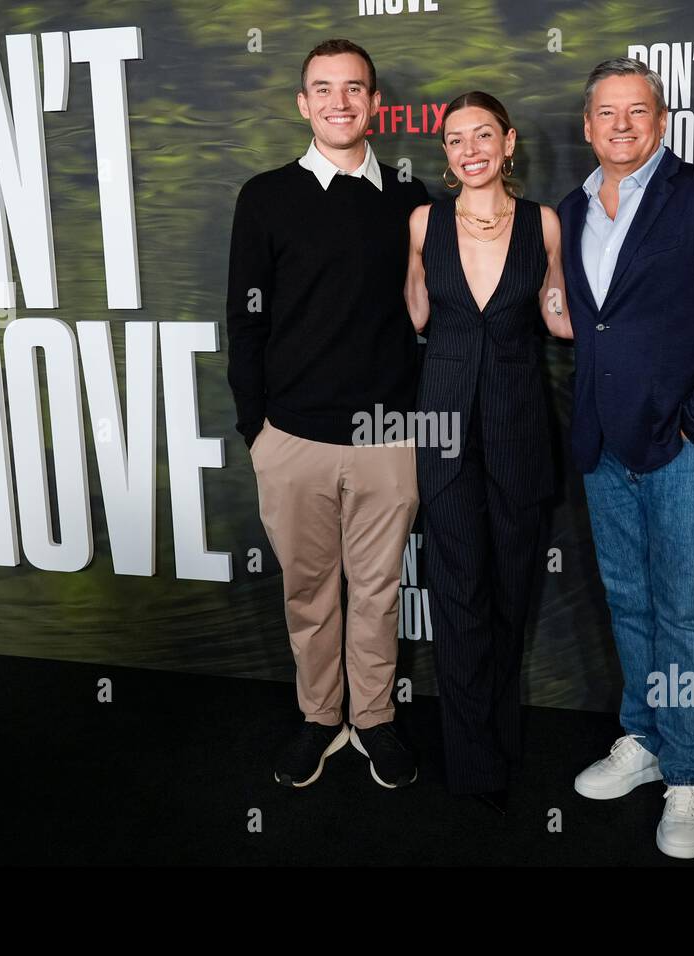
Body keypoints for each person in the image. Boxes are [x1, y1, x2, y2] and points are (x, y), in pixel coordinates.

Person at [557, 58, 694, 857]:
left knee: (683, 614)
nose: (621, 125)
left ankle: (688, 775)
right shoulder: (569, 208)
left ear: (663, 119)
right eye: (605, 113)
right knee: (629, 602)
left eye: (636, 111)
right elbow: (589, 320)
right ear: (586, 125)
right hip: (602, 444)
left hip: (681, 447)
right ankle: (643, 740)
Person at [226, 38, 429, 790]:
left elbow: (432, 318)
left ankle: (373, 719)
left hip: (387, 441)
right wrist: (259, 432)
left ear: (374, 102)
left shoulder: (411, 201)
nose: (339, 102)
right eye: (323, 89)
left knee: (378, 593)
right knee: (308, 593)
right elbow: (244, 323)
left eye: (354, 89)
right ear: (302, 103)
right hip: (293, 441)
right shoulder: (265, 196)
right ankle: (320, 717)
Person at [404, 91, 573, 814]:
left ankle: (500, 737)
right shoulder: (421, 223)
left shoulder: (545, 223)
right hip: (441, 434)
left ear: (508, 144)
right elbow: (411, 314)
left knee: (510, 594)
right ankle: (474, 760)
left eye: (482, 135)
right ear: (445, 156)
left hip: (519, 431)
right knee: (458, 592)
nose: (468, 148)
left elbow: (560, 317)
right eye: (453, 139)